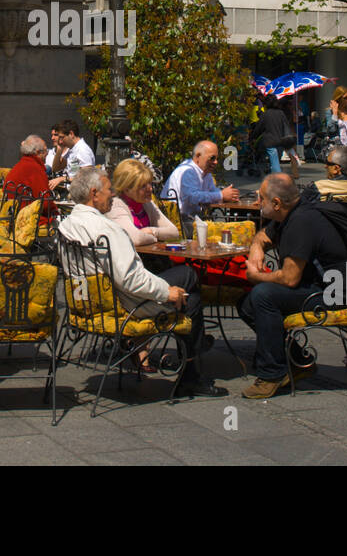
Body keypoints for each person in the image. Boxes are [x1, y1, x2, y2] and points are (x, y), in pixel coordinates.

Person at [59, 166, 225, 398]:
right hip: (126, 303)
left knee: (185, 277)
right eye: (109, 190)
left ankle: (190, 368)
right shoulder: (108, 229)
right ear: (94, 194)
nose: (113, 194)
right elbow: (131, 279)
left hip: (87, 302)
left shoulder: (66, 225)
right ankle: (191, 376)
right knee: (191, 296)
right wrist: (167, 293)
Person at [239, 173, 347, 399]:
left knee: (262, 295)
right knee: (246, 303)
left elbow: (290, 278)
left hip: (333, 294)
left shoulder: (301, 222)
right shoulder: (289, 214)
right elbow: (263, 236)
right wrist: (256, 248)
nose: (257, 203)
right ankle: (298, 362)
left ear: (276, 203)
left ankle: (272, 374)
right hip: (315, 287)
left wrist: (255, 276)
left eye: (261, 198)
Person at [105, 157, 179, 246]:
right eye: (143, 186)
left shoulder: (146, 203)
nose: (150, 189)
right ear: (127, 188)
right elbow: (136, 238)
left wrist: (152, 231)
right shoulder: (116, 206)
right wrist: (155, 237)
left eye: (150, 183)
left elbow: (174, 232)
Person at [161, 140, 240, 220]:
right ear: (198, 156)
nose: (216, 162)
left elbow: (212, 191)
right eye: (212, 158)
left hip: (192, 218)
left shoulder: (205, 172)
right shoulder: (187, 171)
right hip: (178, 221)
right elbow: (192, 197)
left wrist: (229, 195)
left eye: (216, 158)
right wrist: (221, 195)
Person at [249, 96, 294, 176]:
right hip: (281, 141)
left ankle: (279, 182)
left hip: (270, 142)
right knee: (276, 162)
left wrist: (252, 137)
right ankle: (273, 177)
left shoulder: (266, 114)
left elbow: (259, 128)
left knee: (275, 165)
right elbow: (286, 126)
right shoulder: (281, 113)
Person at [45, 119, 95, 191]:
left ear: (71, 134)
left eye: (62, 137)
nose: (60, 141)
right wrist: (59, 149)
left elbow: (87, 177)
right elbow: (56, 169)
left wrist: (62, 179)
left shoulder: (82, 150)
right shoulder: (73, 150)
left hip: (80, 193)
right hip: (71, 191)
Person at [4, 135, 53, 201]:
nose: (47, 154)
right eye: (45, 150)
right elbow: (44, 200)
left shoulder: (22, 164)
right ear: (38, 152)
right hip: (24, 208)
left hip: (11, 207)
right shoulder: (34, 168)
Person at [327, 87, 347, 151]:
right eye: (345, 98)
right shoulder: (330, 112)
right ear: (338, 98)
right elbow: (332, 130)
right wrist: (335, 113)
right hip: (337, 149)